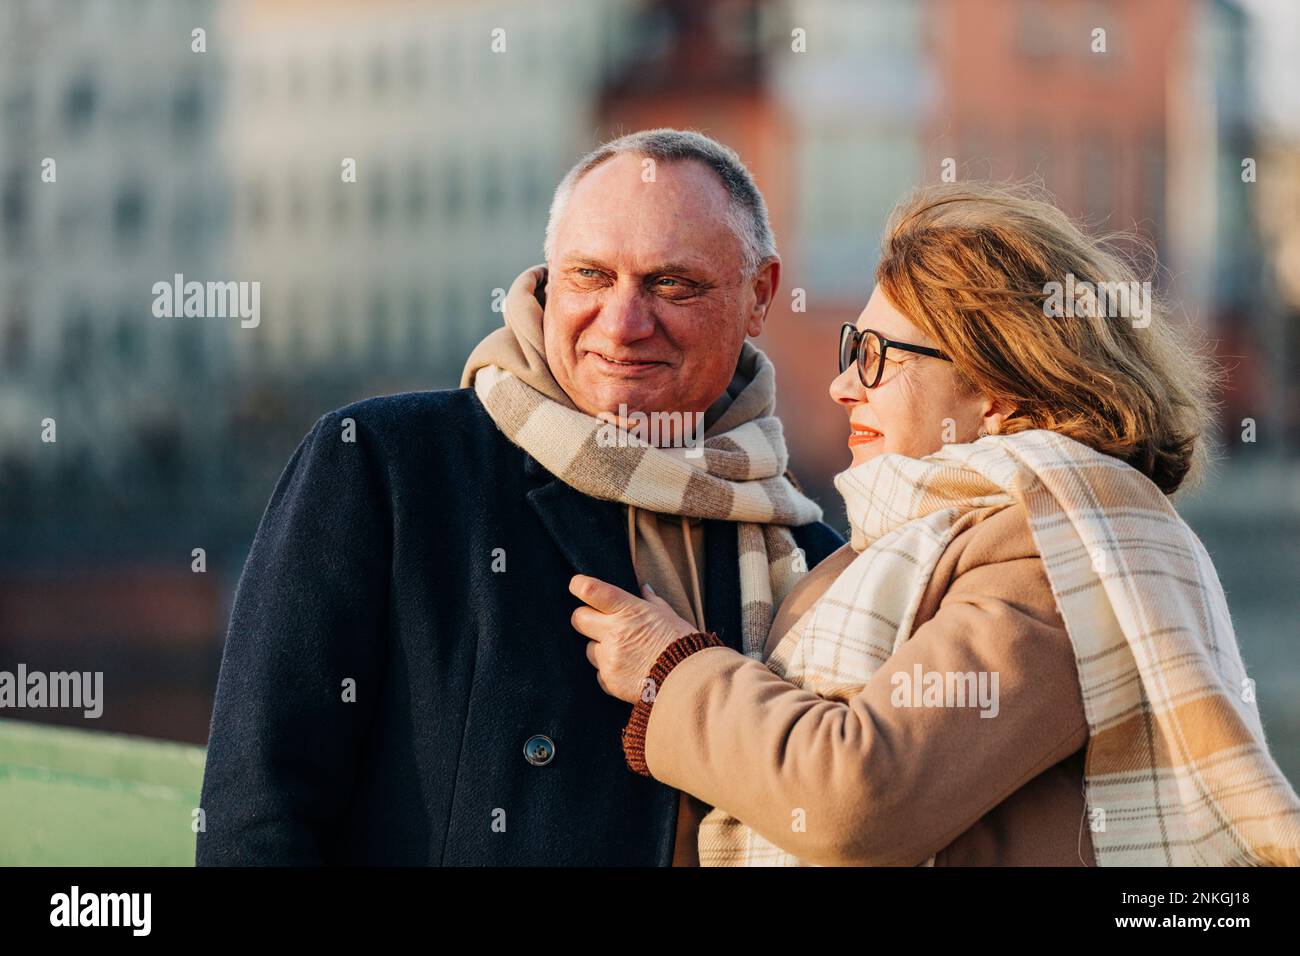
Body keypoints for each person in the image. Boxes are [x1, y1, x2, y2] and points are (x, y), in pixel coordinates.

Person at [570, 183, 1300, 866]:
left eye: (878, 357)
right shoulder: (927, 540)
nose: (843, 384)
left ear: (996, 393)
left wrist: (673, 674)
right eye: (852, 348)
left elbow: (858, 794)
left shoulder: (1050, 551)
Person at [195, 129, 842, 865]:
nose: (624, 325)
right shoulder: (388, 468)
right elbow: (258, 815)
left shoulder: (805, 558)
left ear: (758, 295)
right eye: (591, 277)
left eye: (671, 284)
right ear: (545, 281)